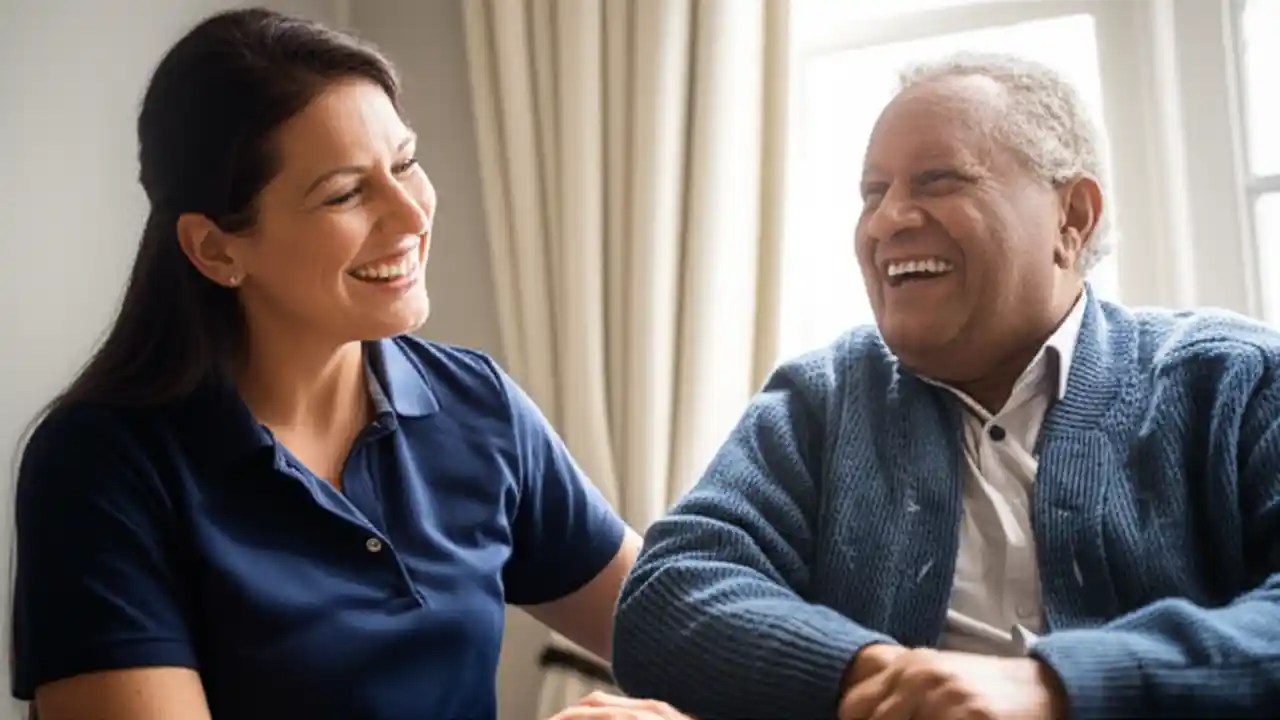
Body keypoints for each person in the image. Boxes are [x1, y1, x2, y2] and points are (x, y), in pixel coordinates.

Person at [11, 9, 690, 720]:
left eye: (405, 163)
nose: (411, 215)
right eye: (344, 193)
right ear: (216, 250)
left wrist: (814, 676)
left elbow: (690, 632)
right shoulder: (99, 469)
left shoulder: (476, 405)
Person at [612, 52, 1280, 719]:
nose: (887, 220)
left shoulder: (1237, 381)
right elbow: (669, 593)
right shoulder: (822, 401)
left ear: (1071, 217)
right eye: (873, 193)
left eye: (938, 181)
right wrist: (878, 679)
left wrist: (1055, 688)